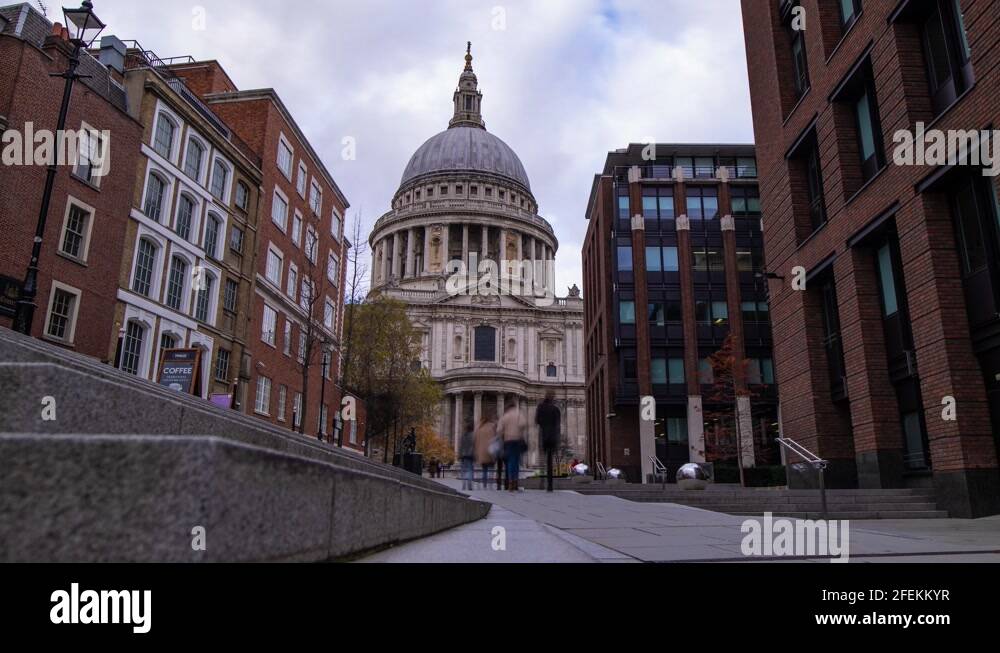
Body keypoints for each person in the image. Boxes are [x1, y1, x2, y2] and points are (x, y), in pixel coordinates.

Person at [496, 400, 527, 492]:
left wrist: (504, 434)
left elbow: (499, 430)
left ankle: (510, 481)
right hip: (517, 440)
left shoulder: (505, 416)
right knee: (516, 461)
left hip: (508, 441)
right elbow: (523, 424)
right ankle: (515, 481)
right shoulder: (518, 414)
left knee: (510, 462)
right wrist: (519, 432)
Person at [535, 390, 561, 492]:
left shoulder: (540, 407)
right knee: (550, 461)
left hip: (544, 435)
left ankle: (543, 482)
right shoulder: (555, 409)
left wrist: (543, 424)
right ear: (553, 397)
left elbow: (537, 421)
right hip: (553, 437)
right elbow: (558, 425)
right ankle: (550, 485)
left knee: (544, 459)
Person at [474, 415, 496, 489]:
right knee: (491, 469)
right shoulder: (492, 427)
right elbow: (495, 438)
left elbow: (476, 441)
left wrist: (477, 452)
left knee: (484, 470)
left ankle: (484, 484)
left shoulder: (479, 428)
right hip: (490, 451)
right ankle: (490, 484)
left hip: (482, 453)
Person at [459, 420, 476, 491]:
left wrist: (460, 454)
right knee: (470, 470)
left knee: (464, 470)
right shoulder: (473, 436)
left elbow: (461, 446)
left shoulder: (463, 436)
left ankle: (464, 484)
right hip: (470, 455)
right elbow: (474, 445)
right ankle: (469, 484)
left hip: (463, 455)